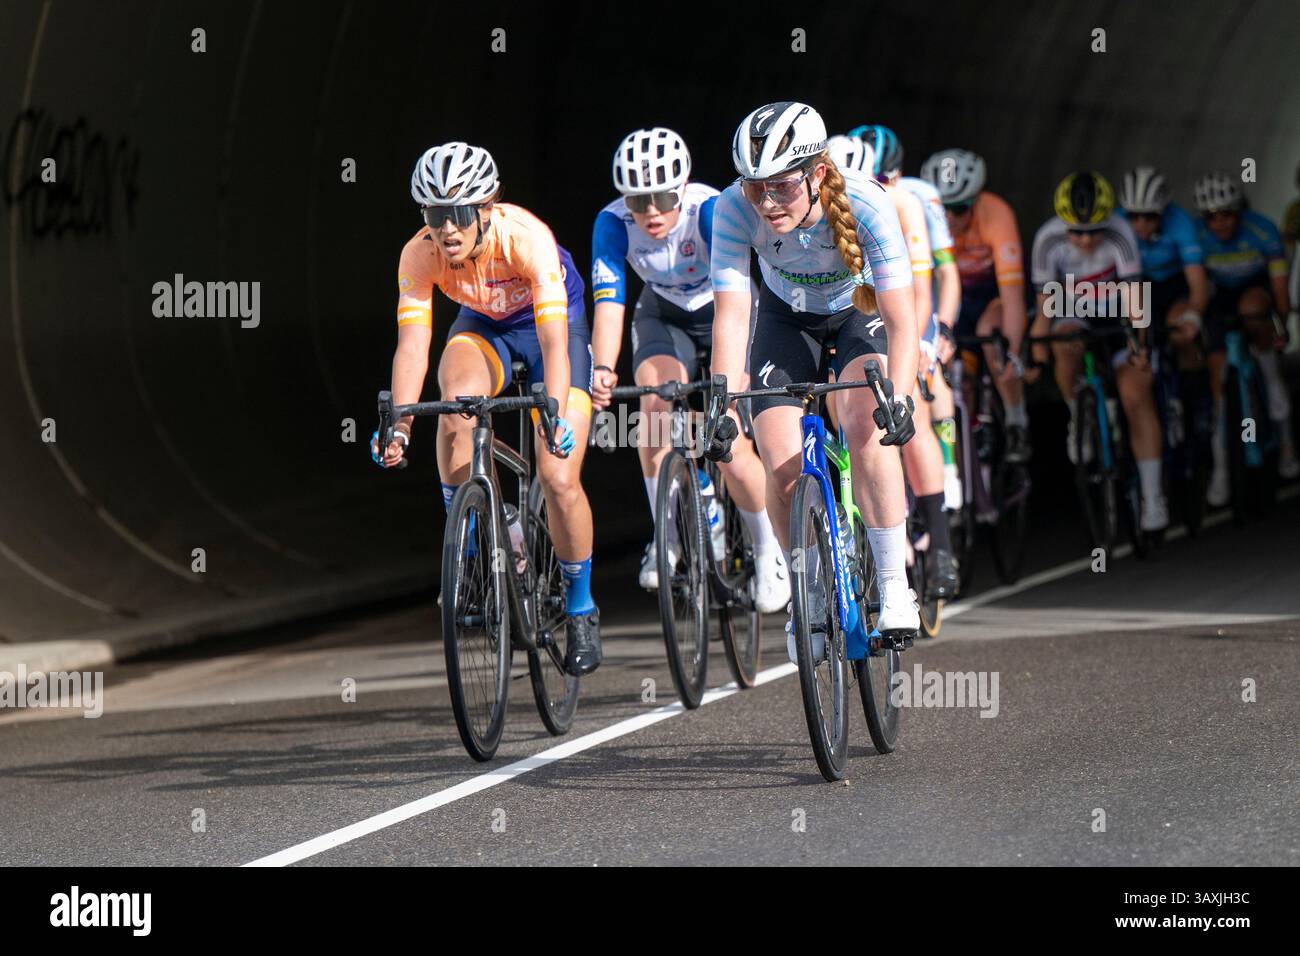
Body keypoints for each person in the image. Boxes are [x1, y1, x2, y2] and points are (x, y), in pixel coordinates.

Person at [373, 142, 603, 675]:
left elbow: (553, 342)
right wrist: (401, 424)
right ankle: (478, 534)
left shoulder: (526, 238)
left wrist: (554, 415)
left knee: (559, 476)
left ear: (486, 208)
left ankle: (581, 605)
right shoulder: (419, 253)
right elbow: (412, 346)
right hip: (483, 328)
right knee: (454, 404)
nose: (446, 229)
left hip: (551, 330)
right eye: (434, 215)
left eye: (457, 214)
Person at [709, 101, 921, 663]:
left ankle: (896, 587)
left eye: (780, 186)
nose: (767, 201)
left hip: (859, 311)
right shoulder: (733, 209)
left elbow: (902, 319)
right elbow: (731, 316)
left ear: (817, 173)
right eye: (756, 188)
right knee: (781, 466)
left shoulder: (867, 202)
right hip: (785, 321)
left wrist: (898, 399)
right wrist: (723, 405)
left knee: (865, 423)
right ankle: (809, 592)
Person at [588, 127, 789, 611]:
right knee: (653, 411)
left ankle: (770, 551)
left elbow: (735, 300)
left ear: (680, 189)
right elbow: (610, 303)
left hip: (727, 310)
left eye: (660, 197)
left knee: (729, 433)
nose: (650, 212)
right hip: (664, 314)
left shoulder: (709, 212)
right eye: (638, 201)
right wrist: (601, 366)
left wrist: (731, 380)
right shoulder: (612, 224)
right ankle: (668, 536)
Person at [835, 126, 959, 596]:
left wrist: (924, 344)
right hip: (850, 315)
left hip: (903, 311)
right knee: (845, 415)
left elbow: (920, 291)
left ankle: (941, 543)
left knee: (914, 413)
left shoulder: (903, 204)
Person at [1027, 171, 1169, 532]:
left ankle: (1153, 496)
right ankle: (1080, 413)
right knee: (1064, 342)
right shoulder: (1047, 239)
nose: (1085, 240)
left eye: (1094, 231)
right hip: (1076, 314)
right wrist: (1034, 356)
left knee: (1136, 392)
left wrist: (1141, 347)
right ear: (1063, 224)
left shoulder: (1121, 235)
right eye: (1076, 232)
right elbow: (1045, 308)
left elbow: (1137, 303)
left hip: (1118, 315)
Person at [920, 147, 1031, 464]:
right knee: (953, 380)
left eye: (961, 209)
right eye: (945, 209)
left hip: (989, 296)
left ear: (977, 201)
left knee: (993, 339)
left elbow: (1012, 296)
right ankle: (952, 454)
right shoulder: (922, 215)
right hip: (947, 296)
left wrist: (1010, 354)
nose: (952, 219)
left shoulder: (996, 215)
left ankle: (1015, 420)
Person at [1192, 171, 1298, 496]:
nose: (1220, 223)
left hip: (1256, 290)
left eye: (1227, 214)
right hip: (1220, 296)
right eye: (1212, 217)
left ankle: (1286, 442)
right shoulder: (1195, 237)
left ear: (1239, 212)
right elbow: (1194, 287)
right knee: (1217, 376)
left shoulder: (1262, 230)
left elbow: (1280, 289)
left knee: (1254, 311)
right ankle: (1222, 468)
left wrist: (1280, 325)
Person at [1116, 165, 1208, 364]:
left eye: (1150, 216)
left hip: (1174, 283)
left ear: (1163, 211)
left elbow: (1198, 280)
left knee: (1181, 332)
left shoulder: (1181, 222)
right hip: (1137, 284)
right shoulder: (1117, 223)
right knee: (1135, 336)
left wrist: (1193, 315)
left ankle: (1193, 383)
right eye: (1133, 215)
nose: (1140, 224)